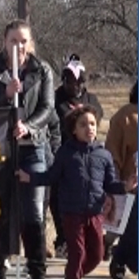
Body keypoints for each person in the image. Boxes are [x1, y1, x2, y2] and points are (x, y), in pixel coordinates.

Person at [17, 106, 136, 279]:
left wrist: (125, 186)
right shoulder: (66, 153)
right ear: (74, 130)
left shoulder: (103, 155)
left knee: (97, 254)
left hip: (95, 213)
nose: (89, 128)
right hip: (71, 213)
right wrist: (30, 178)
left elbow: (110, 184)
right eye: (83, 124)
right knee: (77, 252)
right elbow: (51, 177)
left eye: (92, 123)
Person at [0, 19, 54, 279]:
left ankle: (37, 278)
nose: (18, 47)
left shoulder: (41, 70)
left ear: (30, 44)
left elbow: (47, 108)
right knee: (1, 213)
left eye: (23, 41)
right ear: (3, 42)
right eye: (13, 41)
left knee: (32, 214)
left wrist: (29, 127)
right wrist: (5, 95)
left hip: (32, 147)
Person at [50, 55, 103, 256]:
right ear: (64, 80)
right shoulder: (56, 99)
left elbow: (97, 116)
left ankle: (90, 240)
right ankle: (63, 239)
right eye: (71, 81)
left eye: (79, 81)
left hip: (88, 159)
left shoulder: (91, 100)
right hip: (63, 155)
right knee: (59, 201)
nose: (75, 85)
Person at [107, 83, 138, 279]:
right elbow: (112, 153)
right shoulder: (126, 117)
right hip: (132, 186)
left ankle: (120, 256)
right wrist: (115, 184)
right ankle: (119, 257)